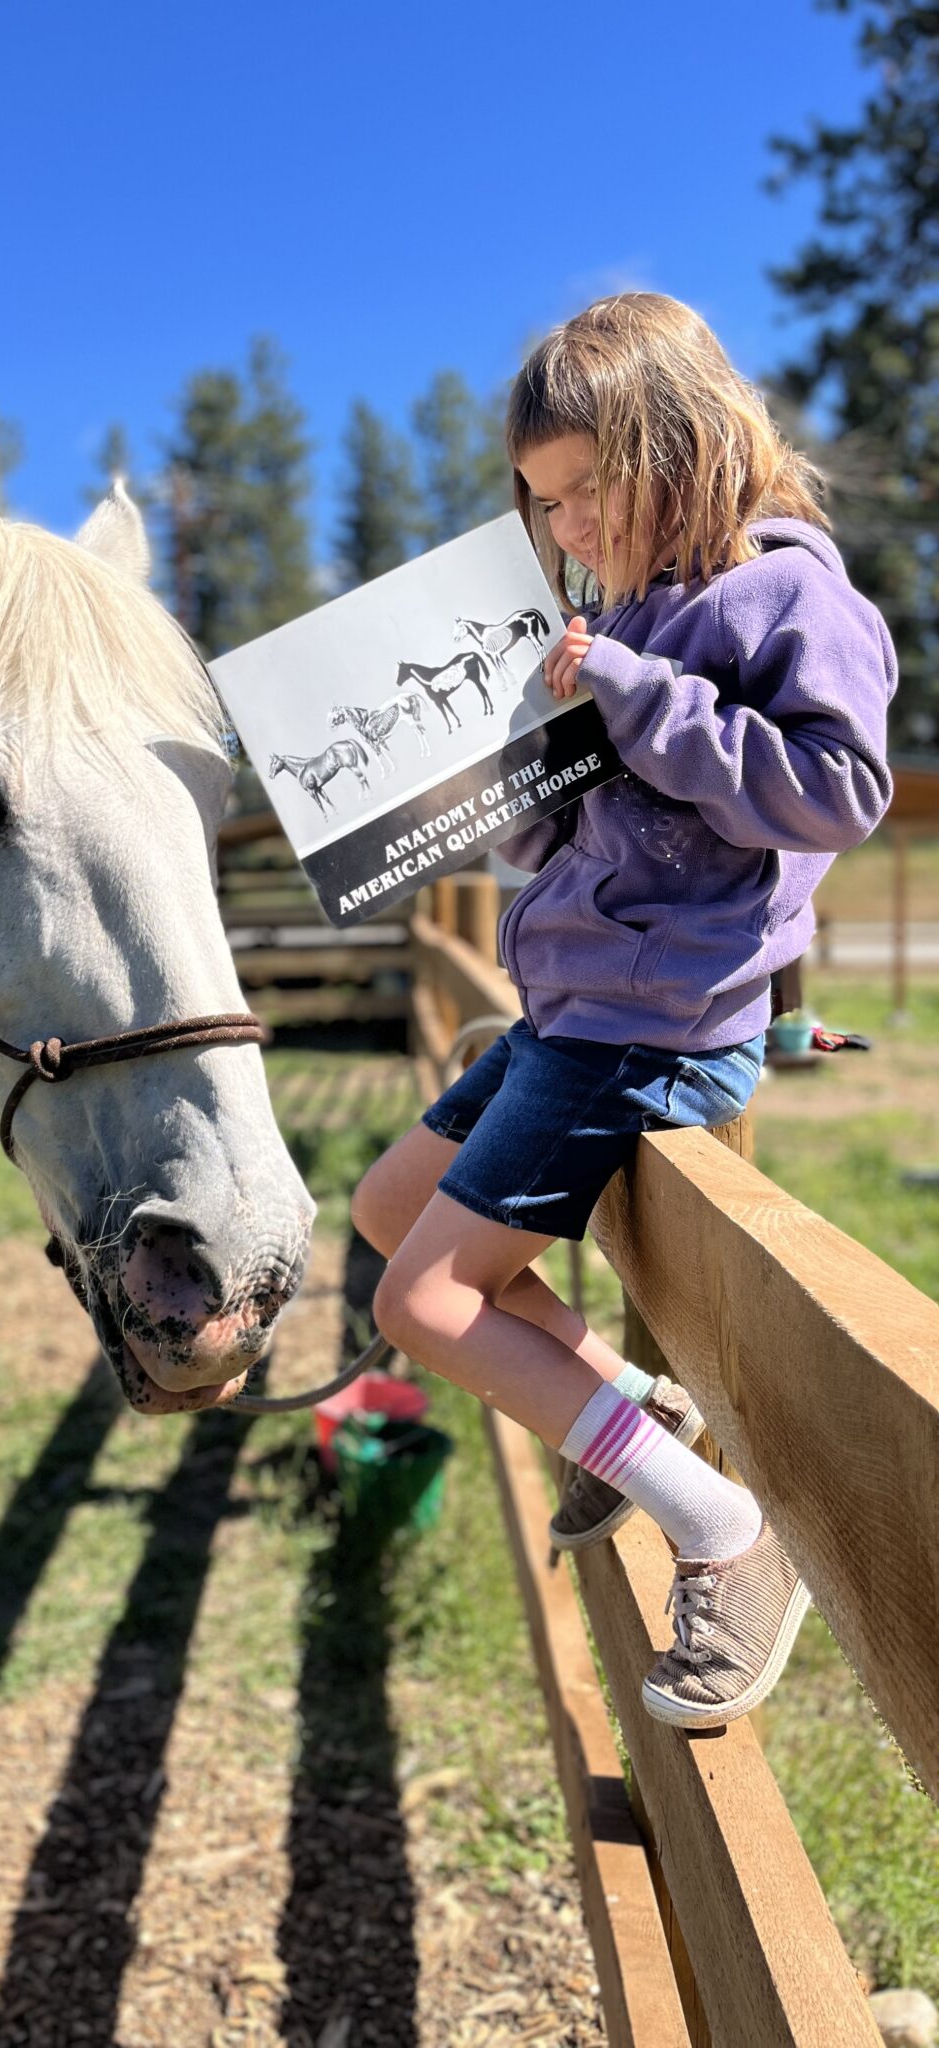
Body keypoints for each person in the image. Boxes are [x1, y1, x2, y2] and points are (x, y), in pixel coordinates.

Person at [353, 293, 895, 1730]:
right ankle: (636, 1416)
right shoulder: (625, 617)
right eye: (547, 505)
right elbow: (596, 829)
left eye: (591, 487)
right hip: (574, 1011)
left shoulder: (788, 597)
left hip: (648, 1030)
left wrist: (638, 696)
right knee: (384, 1209)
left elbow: (837, 792)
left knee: (422, 1299)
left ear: (687, 439)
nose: (571, 528)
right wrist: (534, 768)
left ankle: (724, 1529)